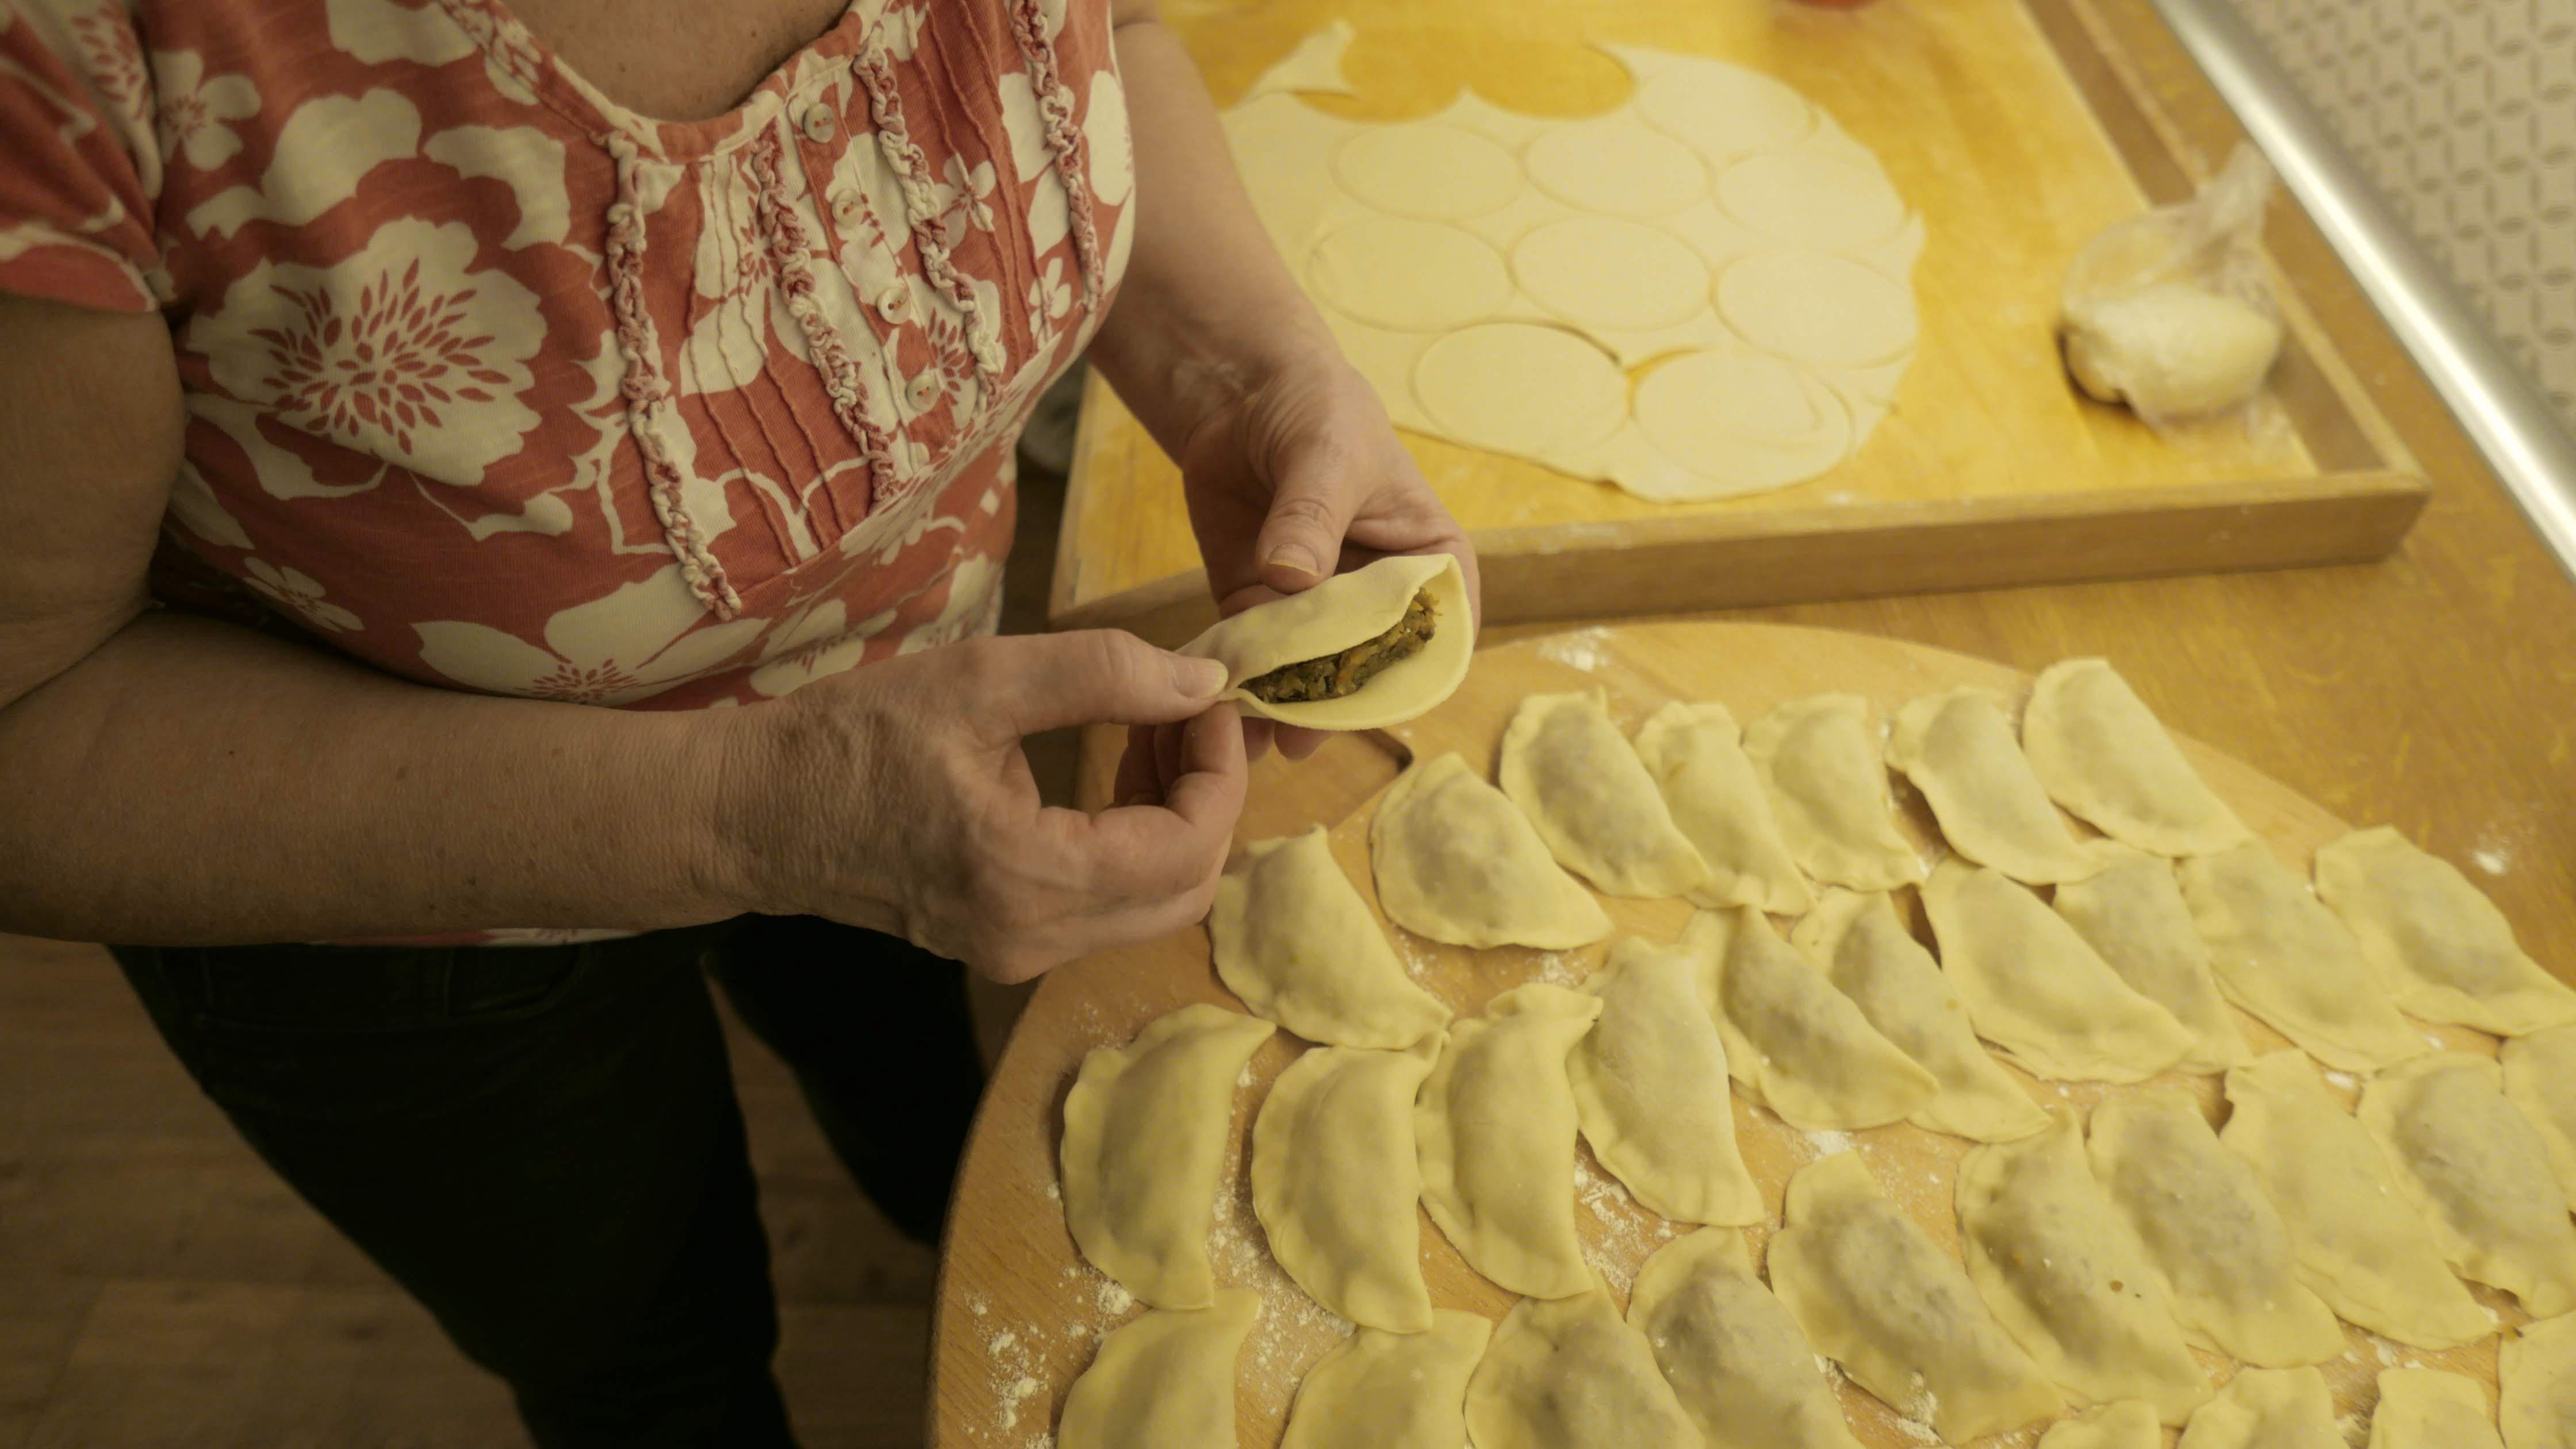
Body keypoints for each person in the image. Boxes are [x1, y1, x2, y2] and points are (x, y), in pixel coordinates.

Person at [0, 0, 1477, 1443]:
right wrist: (758, 816)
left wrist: (1248, 380)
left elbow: (1111, 35)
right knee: (644, 1362)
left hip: (919, 745)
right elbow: (29, 712)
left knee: (925, 1119)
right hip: (404, 933)